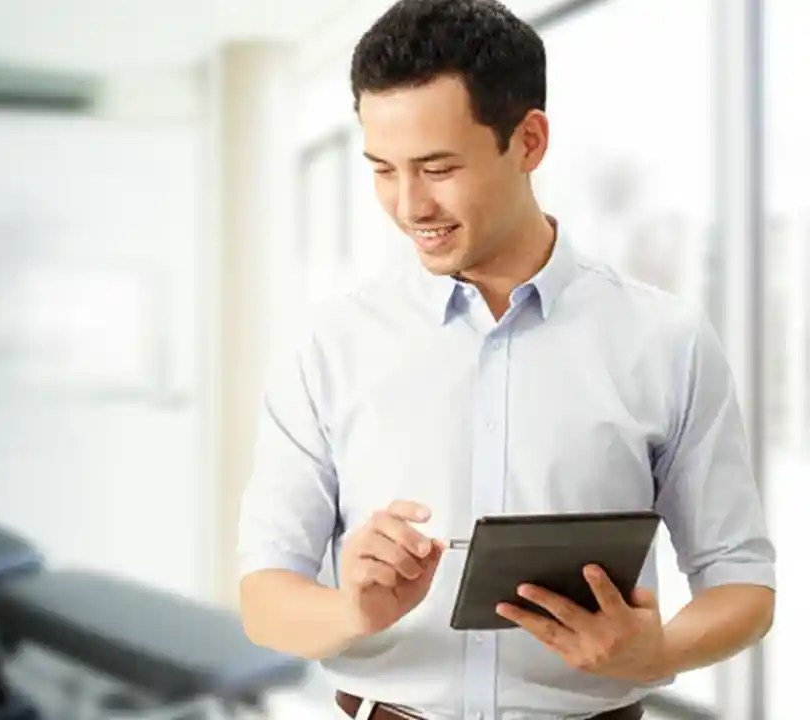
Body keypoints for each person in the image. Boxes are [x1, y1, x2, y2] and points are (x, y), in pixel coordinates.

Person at [234, 1, 777, 718]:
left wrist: (661, 652)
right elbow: (265, 598)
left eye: (437, 168)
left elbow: (742, 579)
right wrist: (353, 610)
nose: (408, 205)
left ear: (528, 140)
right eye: (382, 170)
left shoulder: (664, 340)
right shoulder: (330, 345)